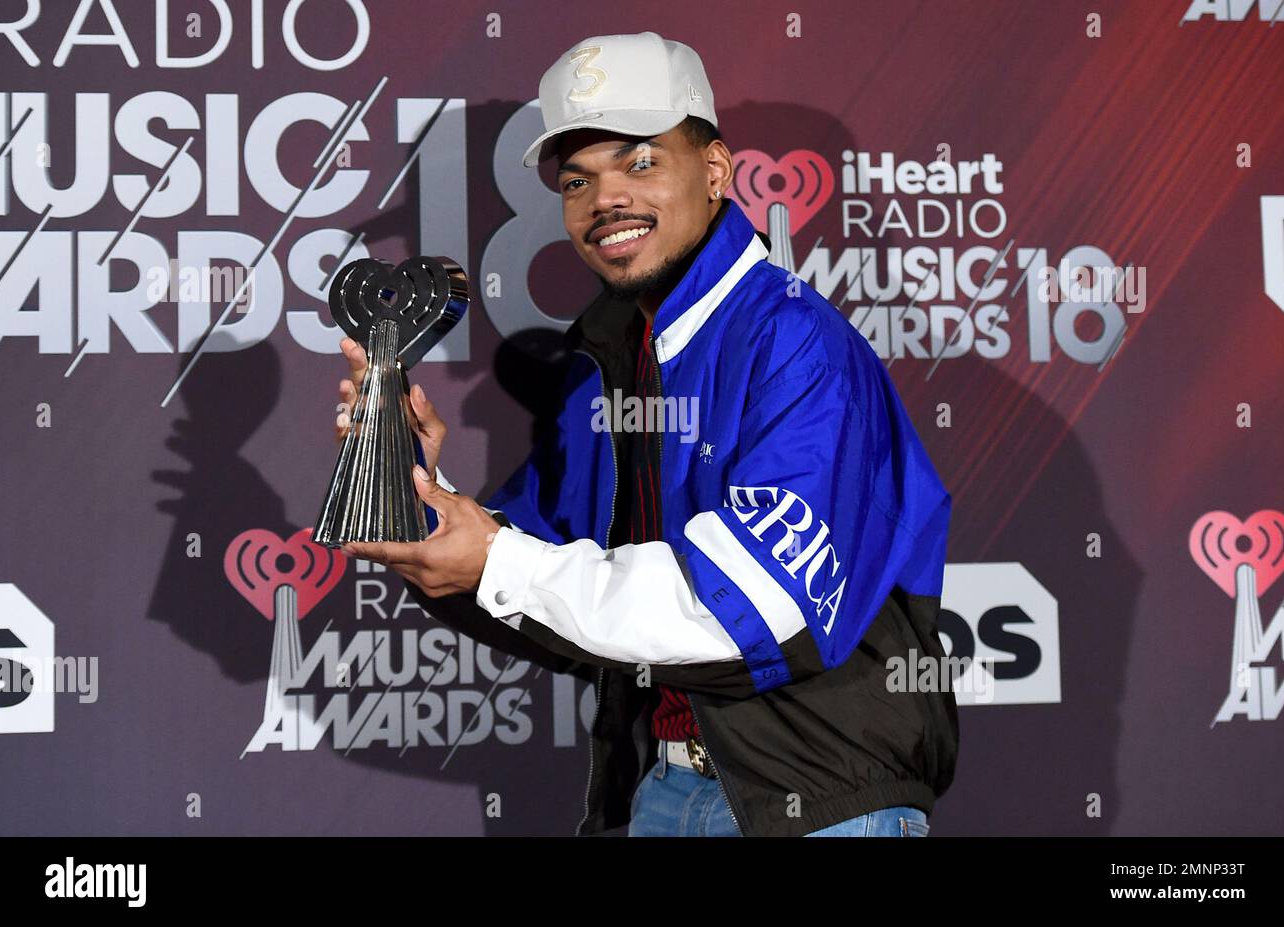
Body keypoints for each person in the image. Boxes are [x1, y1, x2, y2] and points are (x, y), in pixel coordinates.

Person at [337, 31, 957, 837]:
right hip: (662, 791)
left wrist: (495, 559)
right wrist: (417, 491)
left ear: (715, 170)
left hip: (817, 802)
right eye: (577, 180)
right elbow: (540, 571)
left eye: (640, 162)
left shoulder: (796, 341)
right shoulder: (607, 362)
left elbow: (757, 609)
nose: (605, 201)